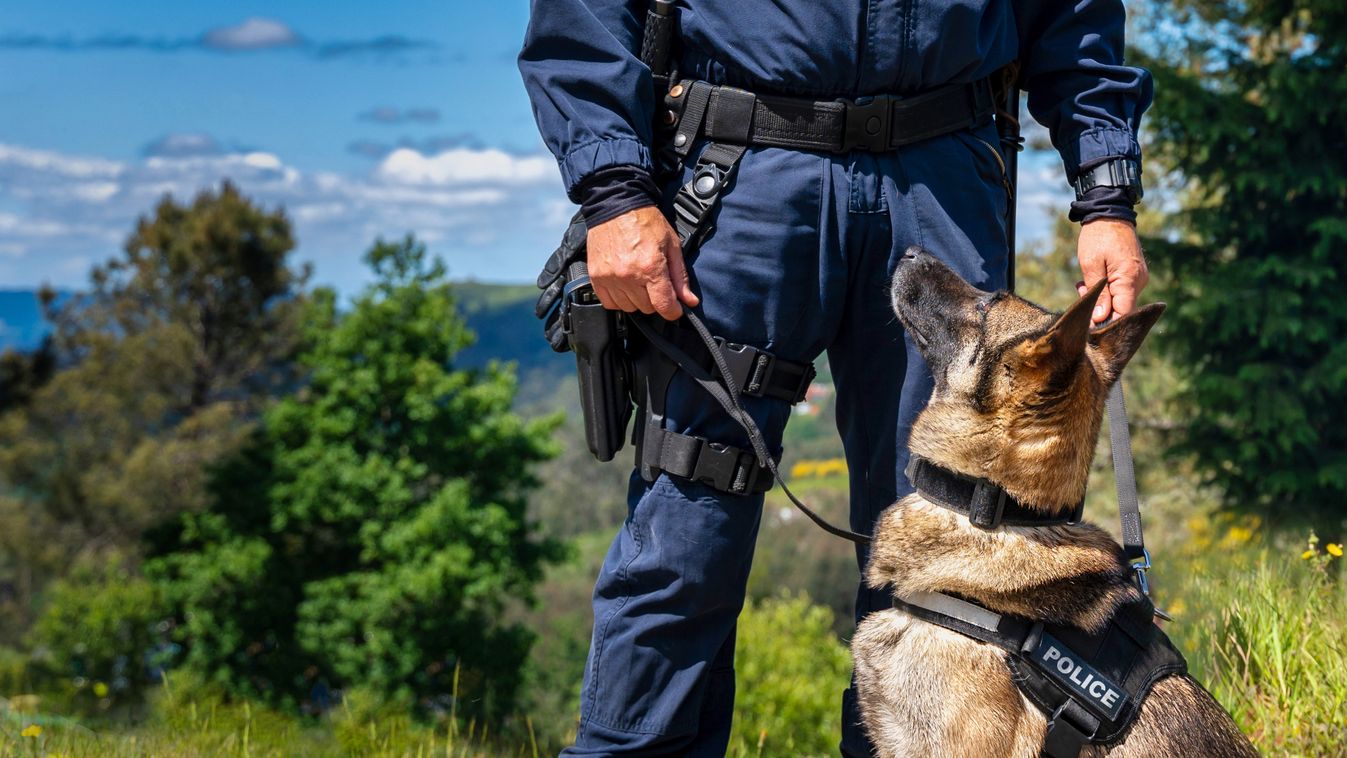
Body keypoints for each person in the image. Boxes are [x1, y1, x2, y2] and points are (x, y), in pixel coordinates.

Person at [519, 1, 1152, 754]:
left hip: (943, 172)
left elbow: (1074, 11)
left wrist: (1105, 191)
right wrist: (613, 192)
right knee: (686, 533)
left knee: (953, 550)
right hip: (741, 171)